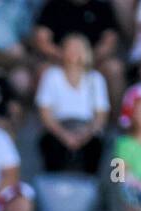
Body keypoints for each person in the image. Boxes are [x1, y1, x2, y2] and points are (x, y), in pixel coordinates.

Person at [36, 33, 111, 173]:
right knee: (50, 145)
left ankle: (91, 187)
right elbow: (45, 113)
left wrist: (86, 133)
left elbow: (101, 115)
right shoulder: (51, 75)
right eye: (70, 48)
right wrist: (64, 135)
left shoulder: (95, 78)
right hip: (58, 128)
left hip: (87, 128)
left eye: (78, 48)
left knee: (95, 147)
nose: (74, 52)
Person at [33, 0, 125, 106]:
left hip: (94, 61)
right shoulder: (53, 6)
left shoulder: (101, 6)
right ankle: (47, 119)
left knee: (114, 68)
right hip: (60, 62)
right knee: (43, 71)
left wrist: (86, 57)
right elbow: (42, 40)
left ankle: (117, 118)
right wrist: (67, 56)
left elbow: (110, 40)